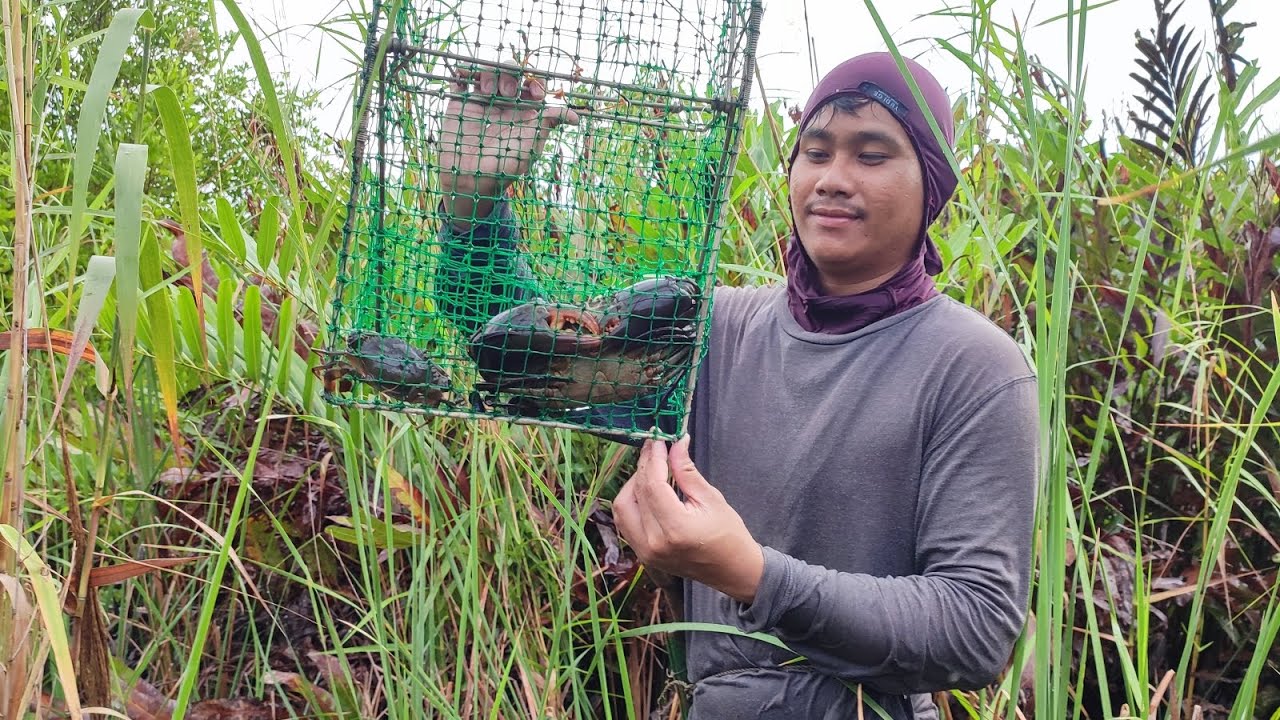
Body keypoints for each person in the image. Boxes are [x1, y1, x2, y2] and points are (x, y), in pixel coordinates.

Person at [434, 53, 1039, 720]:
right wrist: (473, 212)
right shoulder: (714, 331)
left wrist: (754, 576)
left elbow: (975, 630)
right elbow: (533, 357)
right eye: (815, 151)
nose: (833, 179)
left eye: (872, 155)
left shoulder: (974, 366)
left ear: (935, 184)